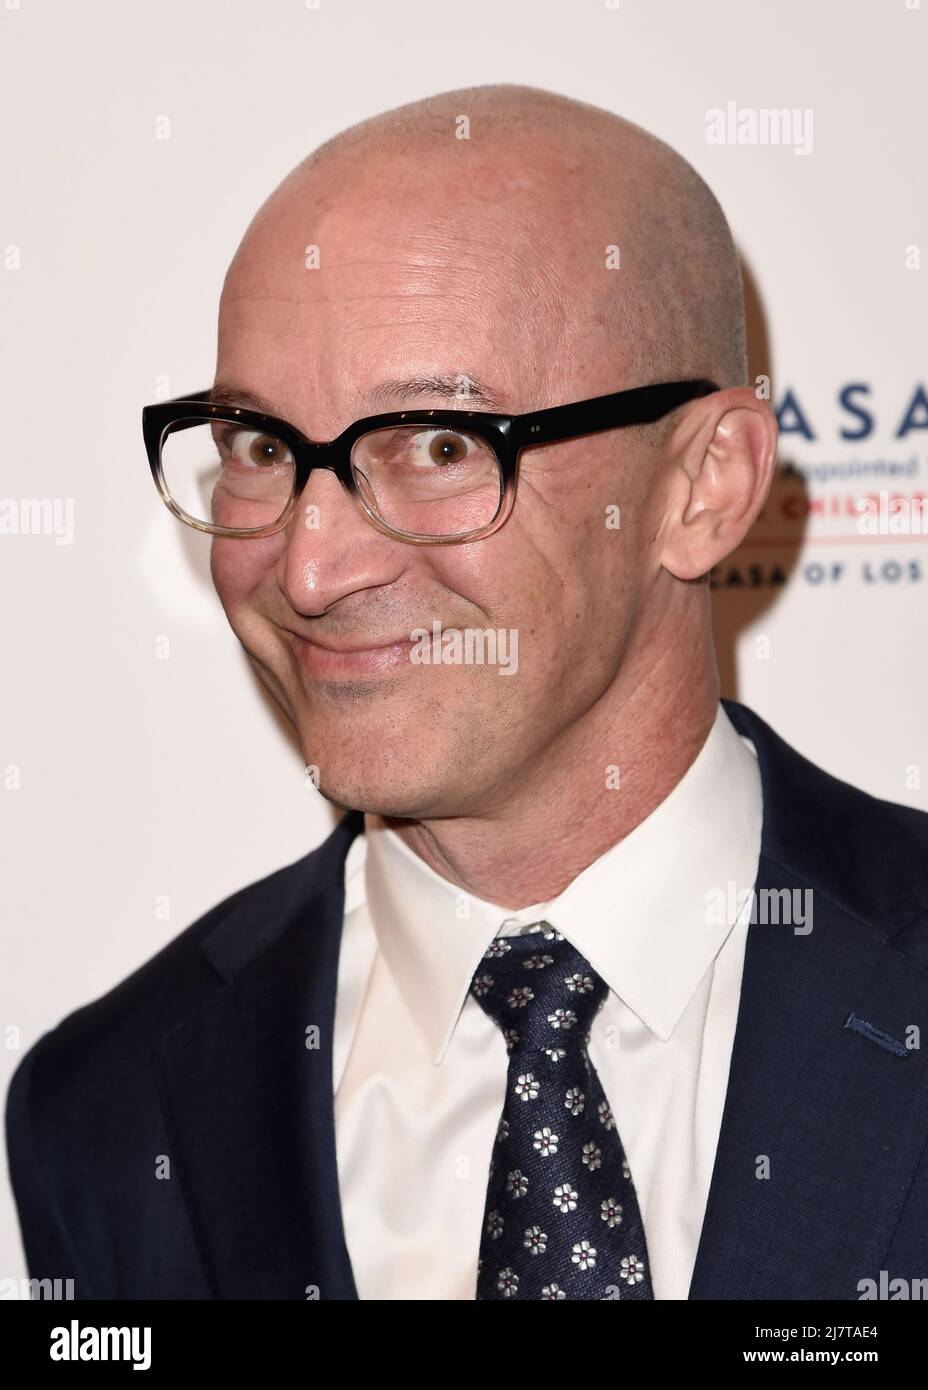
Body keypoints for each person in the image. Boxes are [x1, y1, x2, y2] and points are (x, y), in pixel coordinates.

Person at [7, 84, 928, 1302]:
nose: (311, 566)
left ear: (704, 485)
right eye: (262, 449)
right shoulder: (110, 1111)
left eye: (441, 444)